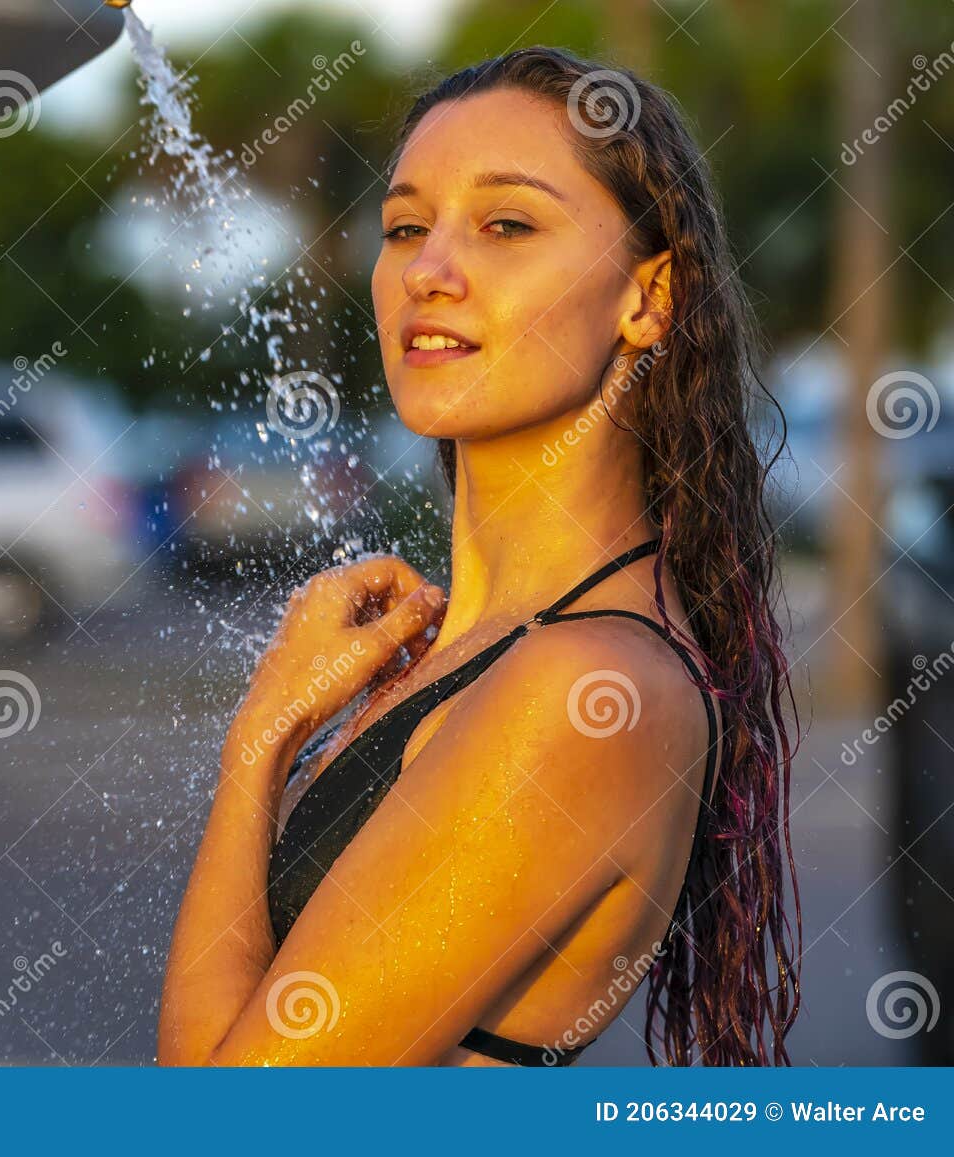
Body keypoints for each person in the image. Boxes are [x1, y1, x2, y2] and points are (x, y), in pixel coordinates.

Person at [157, 45, 802, 1067]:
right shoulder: (480, 643)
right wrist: (264, 737)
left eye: (506, 224)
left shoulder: (586, 686)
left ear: (647, 297)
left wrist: (257, 748)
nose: (427, 270)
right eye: (405, 227)